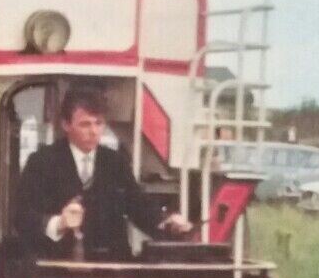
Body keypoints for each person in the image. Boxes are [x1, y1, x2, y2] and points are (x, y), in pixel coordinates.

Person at [14, 88, 193, 260]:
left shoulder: (115, 162)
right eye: (85, 124)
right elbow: (23, 216)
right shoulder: (41, 162)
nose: (94, 132)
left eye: (99, 123)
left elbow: (138, 205)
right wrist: (59, 223)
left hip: (112, 268)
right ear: (66, 125)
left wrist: (166, 222)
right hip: (58, 267)